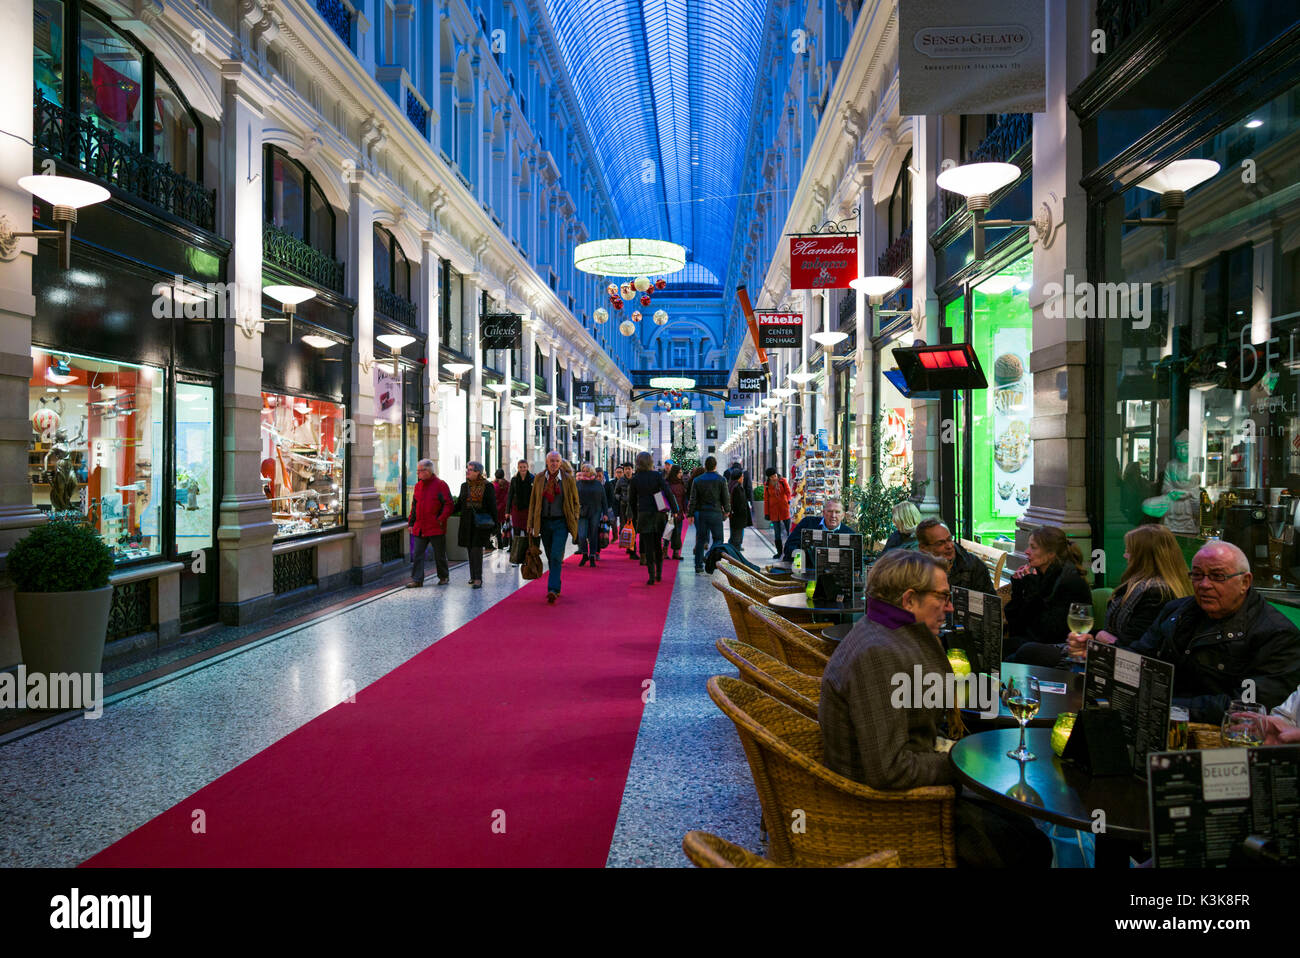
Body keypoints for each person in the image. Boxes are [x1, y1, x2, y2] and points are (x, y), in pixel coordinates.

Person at [819, 550, 1052, 868]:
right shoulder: (879, 654)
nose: (950, 607)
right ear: (909, 599)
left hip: (910, 795)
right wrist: (966, 765)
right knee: (1029, 844)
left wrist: (984, 692)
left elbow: (913, 703)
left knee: (1021, 822)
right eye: (942, 597)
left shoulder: (884, 632)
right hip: (892, 816)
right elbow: (890, 770)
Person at [1100, 540, 1300, 723]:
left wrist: (1166, 707)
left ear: (1245, 582)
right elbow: (1142, 655)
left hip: (1220, 737)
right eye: (1197, 575)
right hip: (1154, 719)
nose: (1204, 585)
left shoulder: (1277, 634)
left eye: (1217, 576)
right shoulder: (1176, 611)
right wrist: (1101, 658)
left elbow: (1245, 706)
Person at [1062, 524, 1193, 664]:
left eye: (1129, 551)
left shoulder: (1156, 594)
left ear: (1144, 557)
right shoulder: (1148, 588)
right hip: (1109, 657)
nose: (1124, 555)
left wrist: (1100, 637)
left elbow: (1133, 646)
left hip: (1119, 665)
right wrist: (1096, 636)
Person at [1002, 525, 1093, 661]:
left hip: (1060, 648)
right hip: (1035, 642)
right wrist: (1018, 588)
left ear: (1051, 553)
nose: (1027, 551)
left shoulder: (1068, 581)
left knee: (1014, 654)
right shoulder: (1043, 576)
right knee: (997, 647)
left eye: (1033, 547)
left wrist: (1031, 589)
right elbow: (1016, 626)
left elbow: (1046, 632)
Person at [527, 451, 579, 604]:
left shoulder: (568, 480)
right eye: (551, 461)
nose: (554, 463)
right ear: (547, 462)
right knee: (550, 555)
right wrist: (530, 523)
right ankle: (557, 583)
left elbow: (576, 501)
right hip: (544, 522)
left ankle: (553, 589)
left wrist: (575, 515)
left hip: (561, 522)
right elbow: (533, 501)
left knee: (556, 555)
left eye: (557, 461)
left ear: (560, 463)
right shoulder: (539, 478)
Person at [629, 451, 677, 585]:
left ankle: (651, 575)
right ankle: (659, 573)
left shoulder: (635, 478)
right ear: (650, 462)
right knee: (658, 543)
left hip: (644, 513)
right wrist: (675, 509)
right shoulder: (657, 475)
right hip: (658, 513)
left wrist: (634, 515)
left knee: (648, 546)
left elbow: (632, 500)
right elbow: (668, 492)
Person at [914, 518, 995, 595]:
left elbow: (990, 604)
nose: (949, 546)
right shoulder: (914, 570)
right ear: (923, 548)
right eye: (940, 543)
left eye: (949, 539)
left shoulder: (973, 565)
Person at [405, 459, 453, 587]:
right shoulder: (418, 486)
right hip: (420, 526)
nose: (418, 473)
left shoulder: (441, 485)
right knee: (417, 554)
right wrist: (411, 523)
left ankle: (443, 577)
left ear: (428, 471)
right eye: (417, 471)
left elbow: (448, 504)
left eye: (420, 471)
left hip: (436, 527)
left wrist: (440, 519)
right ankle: (417, 580)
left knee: (439, 554)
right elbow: (414, 506)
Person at [453, 461, 497, 589]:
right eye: (467, 469)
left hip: (480, 524)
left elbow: (492, 506)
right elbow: (459, 504)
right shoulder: (464, 486)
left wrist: (495, 525)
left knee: (476, 550)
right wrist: (445, 512)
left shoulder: (488, 486)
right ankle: (473, 576)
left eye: (471, 469)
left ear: (478, 472)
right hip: (467, 523)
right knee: (470, 550)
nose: (468, 471)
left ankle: (478, 578)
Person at [686, 456, 729, 574]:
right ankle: (709, 555)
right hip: (715, 513)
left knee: (701, 540)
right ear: (715, 466)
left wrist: (690, 514)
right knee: (718, 539)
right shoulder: (721, 479)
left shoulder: (697, 480)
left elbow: (693, 499)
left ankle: (698, 565)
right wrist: (727, 510)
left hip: (702, 513)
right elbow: (725, 497)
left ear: (705, 466)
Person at [780, 498, 857, 563]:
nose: (833, 516)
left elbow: (855, 560)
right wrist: (806, 559)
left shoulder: (850, 534)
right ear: (823, 513)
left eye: (837, 512)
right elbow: (789, 547)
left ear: (843, 515)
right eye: (830, 511)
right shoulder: (807, 523)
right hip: (805, 570)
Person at [575, 463, 610, 567]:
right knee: (581, 535)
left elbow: (604, 499)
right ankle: (585, 554)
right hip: (582, 511)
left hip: (595, 511)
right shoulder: (579, 483)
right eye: (584, 470)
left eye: (587, 470)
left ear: (592, 472)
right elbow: (574, 498)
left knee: (593, 535)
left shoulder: (598, 484)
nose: (585, 472)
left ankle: (592, 556)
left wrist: (605, 513)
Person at [764, 465, 792, 559]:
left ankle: (789, 551)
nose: (774, 478)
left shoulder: (783, 481)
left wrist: (788, 500)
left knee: (789, 530)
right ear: (769, 477)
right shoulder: (767, 485)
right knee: (777, 533)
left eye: (775, 475)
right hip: (774, 511)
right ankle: (779, 552)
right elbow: (766, 500)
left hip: (784, 509)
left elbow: (788, 492)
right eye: (772, 477)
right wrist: (766, 513)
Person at [507, 459, 534, 553]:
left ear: (527, 467)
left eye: (524, 467)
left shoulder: (532, 478)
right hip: (516, 509)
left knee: (528, 532)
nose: (522, 469)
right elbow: (510, 495)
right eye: (520, 467)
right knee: (516, 532)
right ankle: (516, 554)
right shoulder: (514, 479)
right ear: (518, 468)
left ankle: (527, 553)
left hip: (528, 510)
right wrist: (507, 511)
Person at [727, 465, 752, 552]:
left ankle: (732, 552)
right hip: (738, 517)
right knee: (736, 539)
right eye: (742, 476)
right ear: (739, 477)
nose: (743, 478)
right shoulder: (737, 487)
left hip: (733, 516)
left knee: (734, 537)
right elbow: (740, 504)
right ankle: (735, 557)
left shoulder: (731, 485)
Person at [665, 464, 687, 560]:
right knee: (668, 532)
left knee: (677, 533)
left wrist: (685, 510)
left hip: (679, 511)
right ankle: (665, 552)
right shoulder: (667, 483)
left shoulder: (681, 483)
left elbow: (683, 498)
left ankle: (675, 552)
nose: (681, 474)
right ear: (675, 473)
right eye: (680, 472)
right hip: (669, 512)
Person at [491, 467, 511, 551]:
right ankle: (507, 542)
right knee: (507, 526)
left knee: (497, 527)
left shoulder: (493, 485)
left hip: (496, 509)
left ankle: (500, 544)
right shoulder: (508, 484)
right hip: (505, 509)